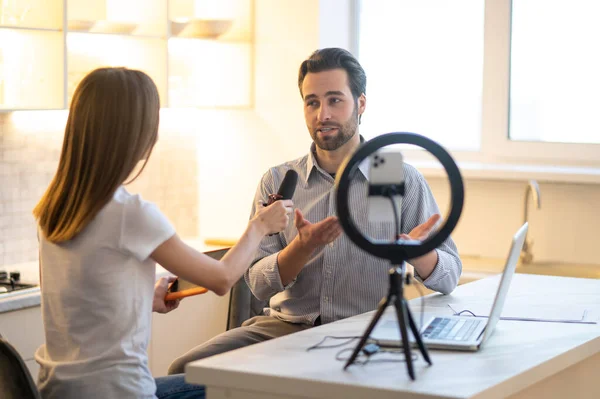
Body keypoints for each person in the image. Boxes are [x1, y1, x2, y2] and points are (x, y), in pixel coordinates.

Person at [168, 47, 462, 374]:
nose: (323, 114)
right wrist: (302, 247)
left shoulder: (388, 175)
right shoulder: (280, 181)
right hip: (285, 329)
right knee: (184, 369)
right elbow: (257, 284)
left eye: (335, 100)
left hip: (364, 332)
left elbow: (449, 276)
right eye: (312, 102)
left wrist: (417, 252)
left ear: (360, 104)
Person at [32, 67, 292, 399]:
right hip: (122, 392)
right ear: (135, 132)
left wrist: (143, 299)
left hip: (61, 390)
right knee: (240, 383)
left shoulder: (53, 208)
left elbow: (79, 302)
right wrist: (260, 225)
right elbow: (222, 278)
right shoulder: (130, 213)